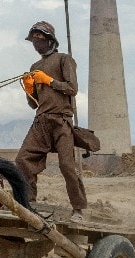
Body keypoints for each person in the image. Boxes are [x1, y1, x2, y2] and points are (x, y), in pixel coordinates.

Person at [15, 20, 88, 223]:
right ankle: (28, 203)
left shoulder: (65, 59)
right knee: (22, 160)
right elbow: (33, 104)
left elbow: (72, 89)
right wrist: (29, 89)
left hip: (61, 120)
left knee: (66, 165)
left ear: (50, 40)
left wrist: (48, 80)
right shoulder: (34, 67)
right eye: (33, 41)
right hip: (41, 121)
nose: (35, 44)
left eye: (38, 40)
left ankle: (78, 209)